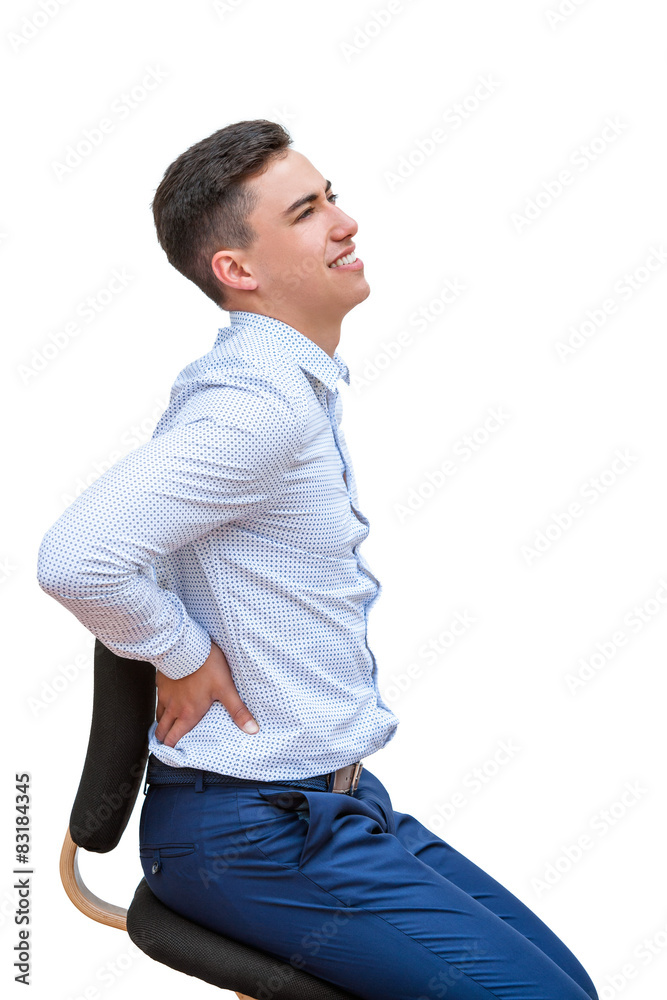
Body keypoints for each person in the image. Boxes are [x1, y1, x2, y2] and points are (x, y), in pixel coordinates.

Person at [37, 120, 598, 1000]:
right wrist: (180, 653)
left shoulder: (285, 386)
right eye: (306, 211)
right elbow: (77, 556)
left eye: (329, 196)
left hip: (334, 808)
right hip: (249, 835)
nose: (345, 222)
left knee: (567, 989)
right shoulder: (259, 406)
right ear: (238, 270)